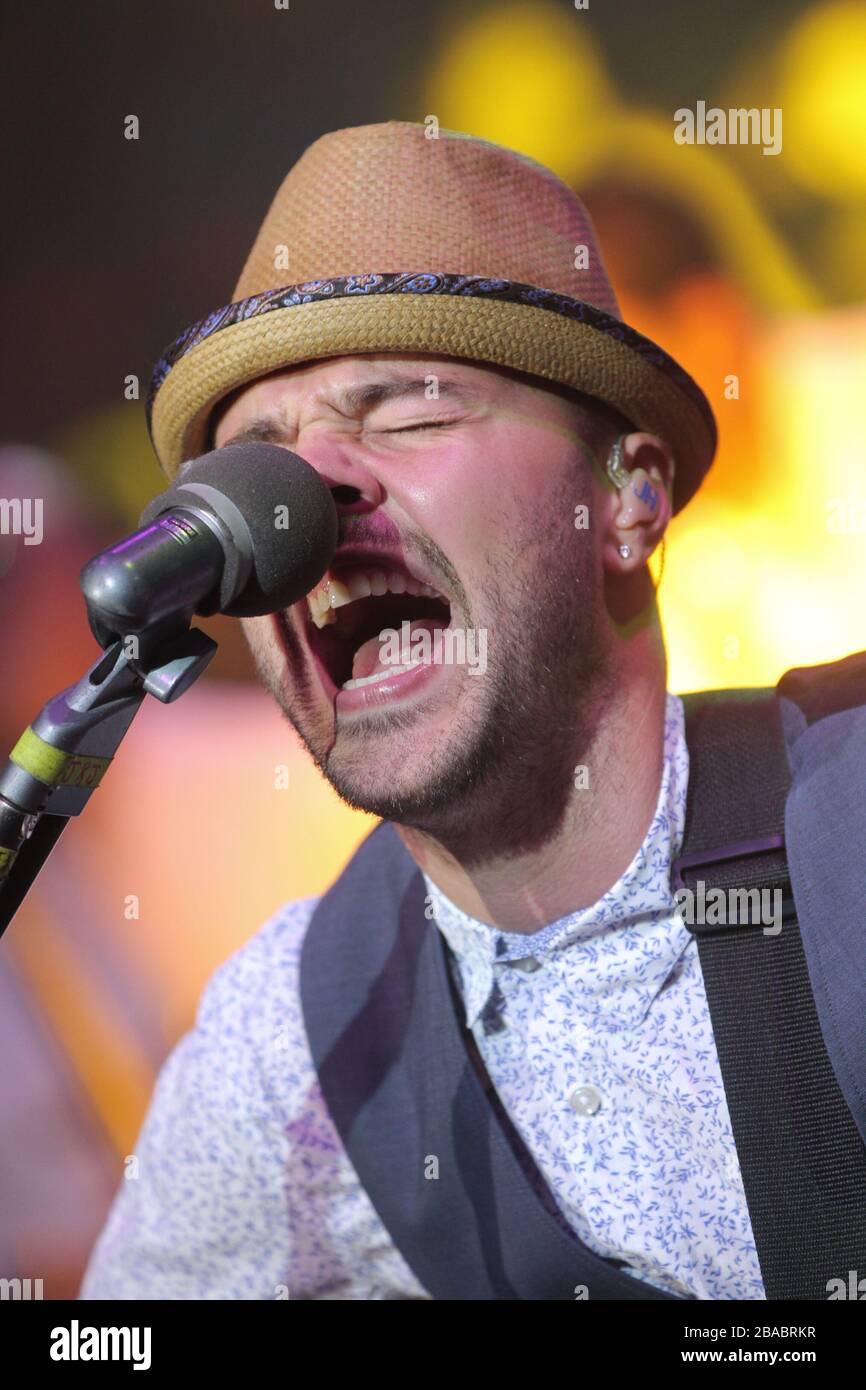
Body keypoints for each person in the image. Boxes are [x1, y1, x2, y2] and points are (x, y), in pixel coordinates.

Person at [80, 121, 866, 1302]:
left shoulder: (845, 834)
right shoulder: (288, 1047)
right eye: (257, 462)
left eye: (407, 413)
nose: (308, 499)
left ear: (627, 500)